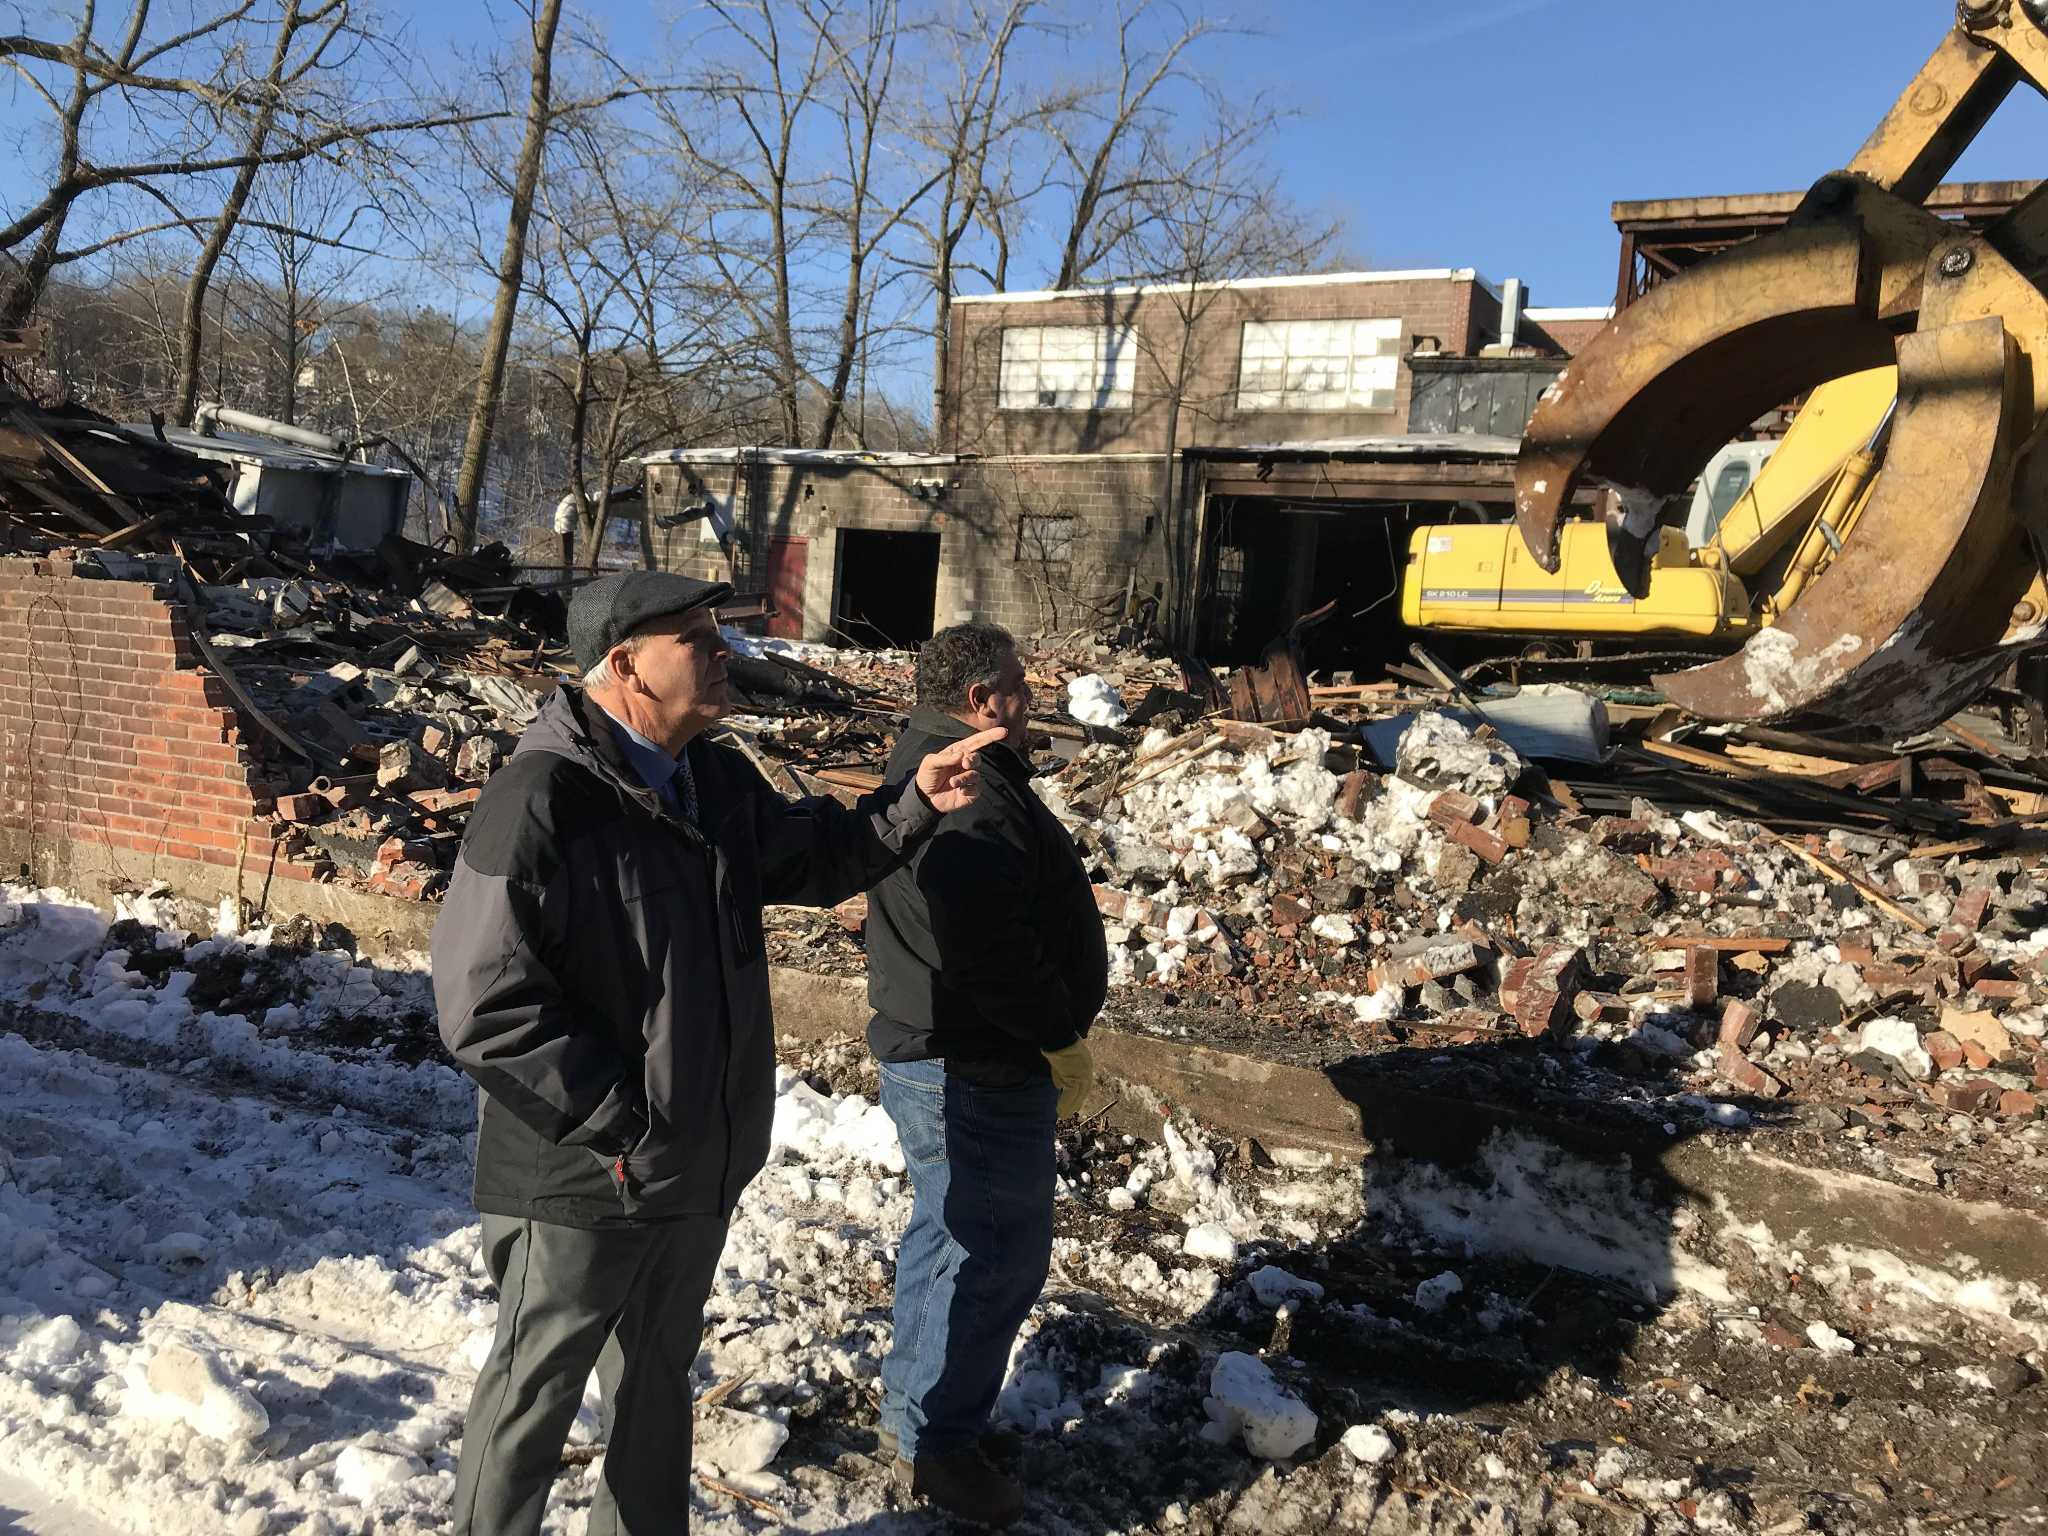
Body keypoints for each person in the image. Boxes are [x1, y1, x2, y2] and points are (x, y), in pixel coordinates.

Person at [431, 571, 1002, 1536]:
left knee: (655, 1386)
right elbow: (485, 1004)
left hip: (689, 1163)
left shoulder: (714, 781)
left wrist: (915, 802)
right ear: (626, 665)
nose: (724, 653)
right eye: (698, 637)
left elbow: (819, 855)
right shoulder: (544, 798)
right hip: (578, 1174)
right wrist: (621, 1126)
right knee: (534, 1395)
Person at [864, 621, 1110, 1527]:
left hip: (951, 1053)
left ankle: (916, 1416)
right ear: (980, 700)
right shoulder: (968, 795)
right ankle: (943, 1449)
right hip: (975, 1062)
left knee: (951, 1234)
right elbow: (990, 953)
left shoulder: (948, 764)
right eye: (1018, 682)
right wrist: (1057, 1035)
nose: (1031, 694)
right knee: (997, 1254)